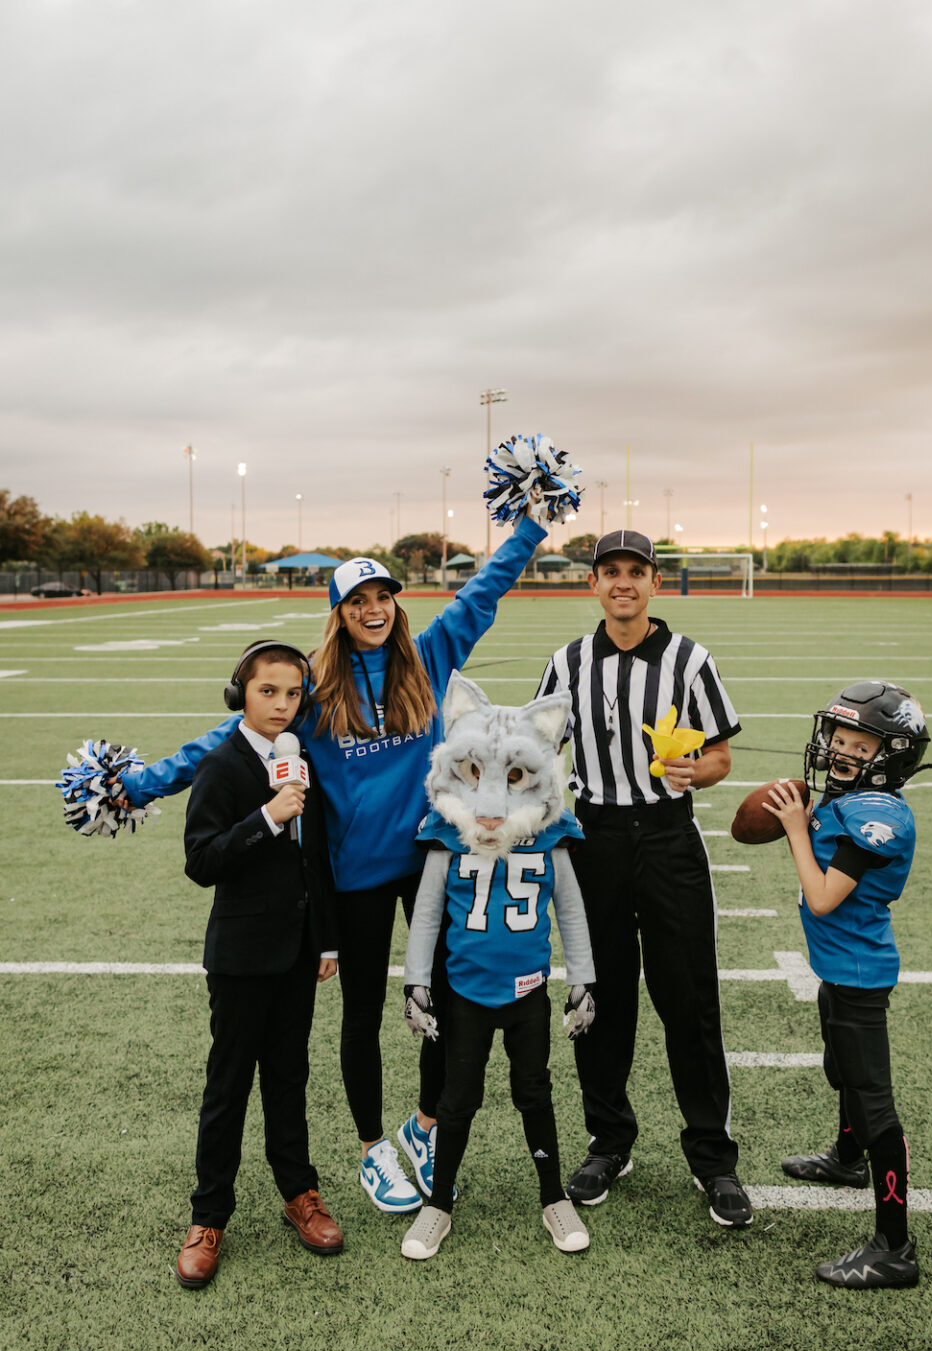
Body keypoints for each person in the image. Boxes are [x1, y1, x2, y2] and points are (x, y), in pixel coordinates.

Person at [119, 512, 548, 1214]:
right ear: (339, 614)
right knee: (362, 1013)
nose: (373, 610)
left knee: (444, 996)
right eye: (357, 602)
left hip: (430, 863)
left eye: (382, 597)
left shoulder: (431, 657)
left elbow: (482, 594)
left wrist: (528, 530)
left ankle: (427, 1125)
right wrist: (139, 784)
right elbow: (224, 741)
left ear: (394, 604)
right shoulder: (314, 689)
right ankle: (374, 1146)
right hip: (354, 876)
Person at [535, 530, 751, 1228]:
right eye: (609, 572)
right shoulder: (567, 663)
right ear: (592, 584)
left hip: (666, 838)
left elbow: (718, 754)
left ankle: (712, 1157)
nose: (622, 583)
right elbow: (539, 751)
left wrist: (697, 770)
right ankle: (609, 1142)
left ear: (654, 582)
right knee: (600, 998)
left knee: (687, 999)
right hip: (594, 840)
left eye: (635, 571)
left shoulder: (689, 660)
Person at [398, 674, 595, 1261]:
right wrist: (416, 983)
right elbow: (426, 918)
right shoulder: (448, 839)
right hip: (466, 994)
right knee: (458, 1099)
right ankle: (438, 1205)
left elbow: (572, 913)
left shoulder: (548, 837)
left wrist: (582, 979)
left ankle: (551, 1196)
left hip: (528, 994)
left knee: (534, 1093)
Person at [176, 641, 342, 1289]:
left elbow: (317, 860)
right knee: (228, 1087)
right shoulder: (222, 767)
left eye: (293, 693)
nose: (281, 705)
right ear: (240, 694)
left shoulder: (303, 761)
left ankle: (299, 1193)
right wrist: (267, 818)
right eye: (267, 691)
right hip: (242, 957)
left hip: (299, 953)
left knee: (290, 1076)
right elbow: (201, 861)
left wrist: (326, 941)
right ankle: (208, 1215)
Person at [765, 679, 932, 1289]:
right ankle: (845, 1160)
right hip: (840, 970)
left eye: (860, 746)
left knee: (874, 1104)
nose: (839, 751)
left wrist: (792, 828)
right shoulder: (851, 805)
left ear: (891, 756)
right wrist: (809, 818)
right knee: (843, 1071)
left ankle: (894, 1247)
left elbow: (824, 895)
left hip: (861, 976)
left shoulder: (876, 816)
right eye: (838, 738)